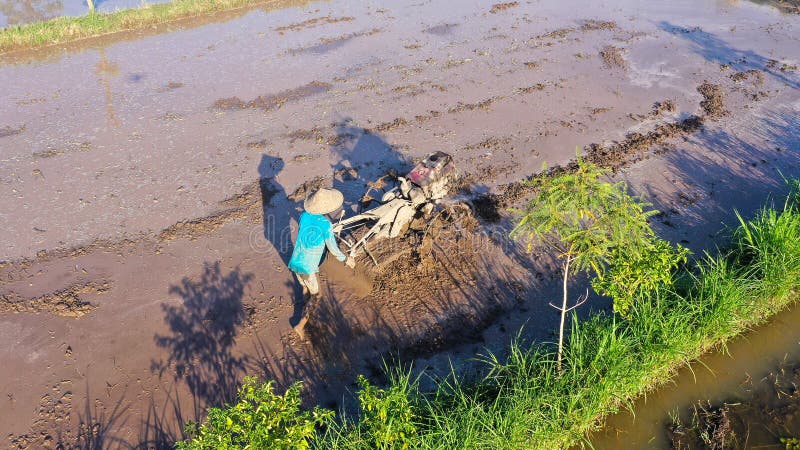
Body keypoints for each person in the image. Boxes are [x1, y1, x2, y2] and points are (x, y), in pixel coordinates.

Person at [288, 188, 352, 339]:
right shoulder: (325, 224)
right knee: (317, 296)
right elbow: (333, 248)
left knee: (305, 285)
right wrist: (346, 259)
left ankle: (304, 304)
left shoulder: (304, 215)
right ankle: (300, 325)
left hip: (295, 260)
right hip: (308, 267)